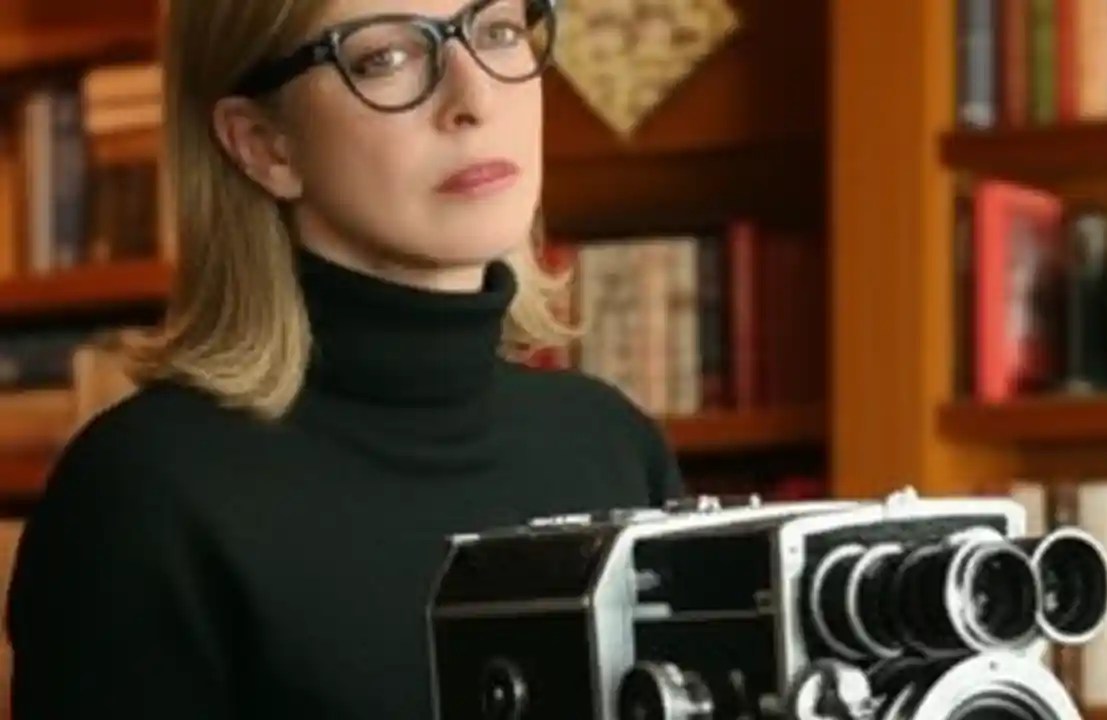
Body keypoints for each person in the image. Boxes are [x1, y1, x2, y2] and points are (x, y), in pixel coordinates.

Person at [4, 0, 684, 717]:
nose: (475, 98)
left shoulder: (612, 444)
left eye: (500, 31)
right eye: (385, 58)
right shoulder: (144, 497)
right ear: (264, 145)